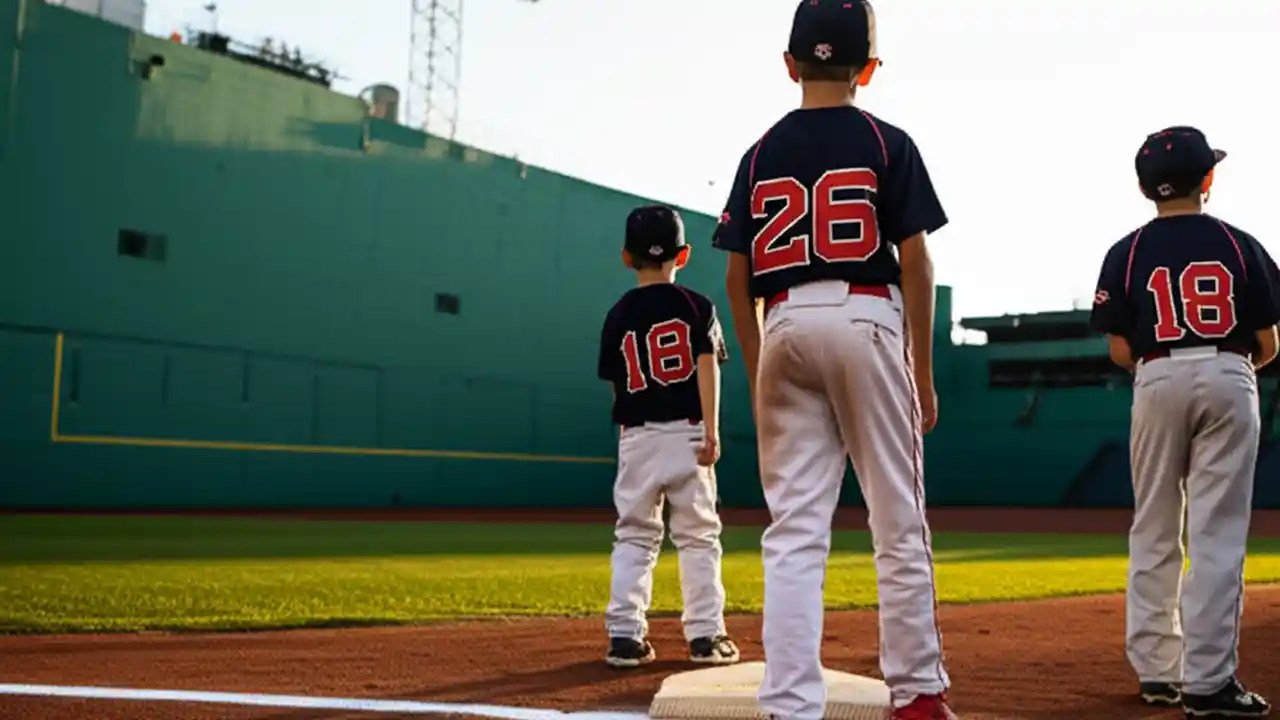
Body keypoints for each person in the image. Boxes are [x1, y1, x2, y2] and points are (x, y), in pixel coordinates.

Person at [710, 1, 954, 718]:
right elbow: (917, 263)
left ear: (790, 65)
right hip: (866, 314)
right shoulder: (887, 141)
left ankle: (789, 704)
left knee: (793, 532)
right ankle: (917, 692)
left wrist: (758, 369)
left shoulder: (759, 153)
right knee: (898, 522)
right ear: (868, 69)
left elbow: (736, 279)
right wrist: (922, 371)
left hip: (784, 322)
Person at [1089, 126, 1277, 718]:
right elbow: (1270, 343)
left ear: (1145, 188)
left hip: (1156, 374)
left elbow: (1119, 348)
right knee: (1217, 534)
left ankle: (1157, 671)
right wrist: (1226, 369)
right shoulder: (1239, 244)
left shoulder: (1126, 252)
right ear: (1208, 178)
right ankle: (1209, 681)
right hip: (1228, 370)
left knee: (1154, 525)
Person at [596, 205, 740, 669]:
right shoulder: (697, 306)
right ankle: (705, 635)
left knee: (634, 535)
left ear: (626, 257)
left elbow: (617, 385)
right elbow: (707, 367)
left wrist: (629, 437)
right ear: (684, 254)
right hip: (688, 432)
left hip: (637, 435)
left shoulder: (617, 314)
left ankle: (624, 636)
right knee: (698, 537)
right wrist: (712, 431)